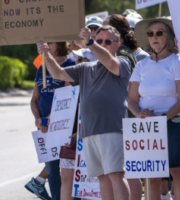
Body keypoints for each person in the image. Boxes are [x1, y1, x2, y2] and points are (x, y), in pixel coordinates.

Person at [38, 25, 131, 200]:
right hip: (89, 131)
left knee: (116, 175)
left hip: (111, 128)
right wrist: (46, 54)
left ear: (117, 45)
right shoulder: (86, 67)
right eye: (99, 41)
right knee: (102, 177)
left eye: (108, 41)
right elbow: (58, 73)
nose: (103, 44)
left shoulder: (123, 62)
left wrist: (90, 43)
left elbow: (110, 63)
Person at [128, 17, 180, 200]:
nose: (154, 37)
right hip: (146, 126)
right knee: (151, 175)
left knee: (177, 171)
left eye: (159, 33)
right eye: (150, 34)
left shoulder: (177, 63)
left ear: (168, 36)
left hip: (172, 123)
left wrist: (163, 118)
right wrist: (140, 114)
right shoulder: (141, 65)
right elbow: (131, 99)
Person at [30, 40, 77, 200]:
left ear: (60, 43)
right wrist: (38, 119)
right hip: (44, 128)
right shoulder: (42, 67)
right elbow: (34, 99)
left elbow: (68, 97)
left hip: (64, 127)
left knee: (67, 171)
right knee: (51, 171)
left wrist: (52, 118)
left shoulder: (71, 64)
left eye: (50, 42)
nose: (46, 45)